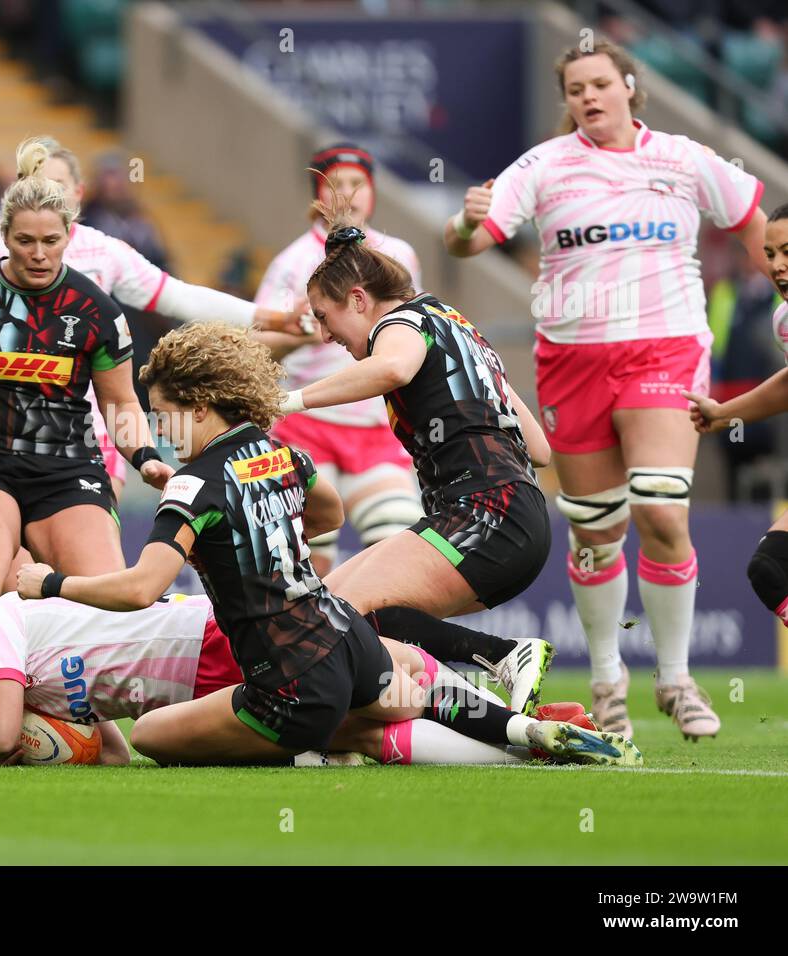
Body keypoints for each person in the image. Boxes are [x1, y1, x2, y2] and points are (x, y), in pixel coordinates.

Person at [15, 323, 638, 767]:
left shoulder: (191, 484)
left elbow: (141, 589)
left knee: (152, 734)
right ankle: (527, 730)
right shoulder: (279, 451)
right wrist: (271, 534)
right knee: (402, 698)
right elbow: (329, 511)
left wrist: (47, 584)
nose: (161, 428)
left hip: (288, 682)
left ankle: (307, 752)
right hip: (348, 640)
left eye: (164, 413)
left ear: (201, 406)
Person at [443, 39, 769, 741]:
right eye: (574, 88)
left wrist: (777, 282)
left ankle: (677, 680)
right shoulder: (546, 164)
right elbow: (469, 240)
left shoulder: (682, 159)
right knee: (597, 530)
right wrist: (468, 220)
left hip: (665, 346)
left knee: (661, 511)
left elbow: (752, 221)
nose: (588, 97)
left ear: (628, 85)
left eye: (599, 83)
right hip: (572, 360)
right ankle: (606, 679)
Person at [0, 109, 309, 500]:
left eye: (56, 186)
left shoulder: (106, 252)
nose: (44, 196)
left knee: (82, 578)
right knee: (9, 577)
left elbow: (180, 296)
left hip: (93, 439)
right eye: (33, 184)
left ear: (77, 195)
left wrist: (274, 318)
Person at [0, 138, 172, 626]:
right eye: (25, 241)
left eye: (50, 241)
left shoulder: (98, 311)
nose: (38, 253)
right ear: (3, 235)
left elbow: (119, 403)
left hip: (67, 466)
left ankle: (64, 703)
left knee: (105, 596)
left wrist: (147, 457)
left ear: (69, 235)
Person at [0, 591, 600, 768]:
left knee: (376, 687)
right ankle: (529, 735)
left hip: (208, 643)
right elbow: (102, 713)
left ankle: (510, 701)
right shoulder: (26, 661)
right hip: (199, 672)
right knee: (368, 703)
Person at [280, 200, 554, 663]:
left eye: (325, 317)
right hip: (523, 521)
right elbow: (541, 450)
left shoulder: (401, 322)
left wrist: (289, 400)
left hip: (483, 513)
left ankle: (505, 658)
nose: (325, 336)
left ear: (359, 299)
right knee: (335, 608)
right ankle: (488, 711)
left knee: (338, 614)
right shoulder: (460, 328)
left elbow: (392, 368)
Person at [254, 144, 425, 574]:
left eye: (357, 184)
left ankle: (390, 642)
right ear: (318, 195)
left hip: (378, 425)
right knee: (308, 564)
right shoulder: (292, 262)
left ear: (372, 192)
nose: (346, 194)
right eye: (336, 185)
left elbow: (416, 333)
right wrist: (295, 336)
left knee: (399, 553)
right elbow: (255, 347)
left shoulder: (399, 255)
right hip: (304, 424)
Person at [684, 205, 788, 712]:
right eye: (770, 253)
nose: (778, 264)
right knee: (770, 568)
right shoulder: (783, 320)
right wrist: (725, 413)